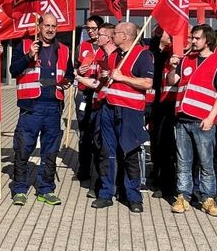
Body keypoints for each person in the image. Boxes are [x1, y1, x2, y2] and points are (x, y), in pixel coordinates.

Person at [165, 25, 217, 217]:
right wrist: (172, 67)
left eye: (197, 38)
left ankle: (208, 198)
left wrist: (211, 118)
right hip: (183, 117)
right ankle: (183, 196)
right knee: (183, 161)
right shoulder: (186, 59)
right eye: (192, 37)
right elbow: (171, 81)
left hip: (202, 119)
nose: (192, 41)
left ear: (207, 40)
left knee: (206, 163)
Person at [9, 12, 71, 207]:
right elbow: (13, 70)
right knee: (23, 149)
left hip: (53, 106)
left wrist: (68, 81)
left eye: (54, 26)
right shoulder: (25, 46)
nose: (50, 29)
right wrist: (29, 56)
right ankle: (20, 189)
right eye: (47, 25)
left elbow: (69, 73)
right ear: (39, 27)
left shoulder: (64, 49)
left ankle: (46, 189)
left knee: (50, 151)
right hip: (31, 106)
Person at [92, 22, 153, 213]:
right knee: (107, 153)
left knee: (130, 152)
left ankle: (133, 196)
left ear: (125, 36)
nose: (113, 36)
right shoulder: (114, 55)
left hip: (130, 111)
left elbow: (147, 83)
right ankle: (106, 193)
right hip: (109, 109)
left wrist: (123, 78)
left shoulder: (142, 55)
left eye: (116, 33)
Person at [75, 17, 108, 183]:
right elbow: (74, 68)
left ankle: (100, 172)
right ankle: (84, 169)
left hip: (99, 94)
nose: (90, 31)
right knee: (84, 132)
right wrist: (78, 70)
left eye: (94, 28)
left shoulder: (106, 46)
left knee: (98, 133)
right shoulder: (82, 46)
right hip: (84, 93)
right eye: (88, 28)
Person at [146, 26, 176, 199]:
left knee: (172, 147)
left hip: (177, 105)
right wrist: (159, 47)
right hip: (161, 103)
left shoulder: (180, 54)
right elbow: (155, 74)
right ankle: (160, 179)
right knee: (159, 143)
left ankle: (172, 184)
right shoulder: (160, 53)